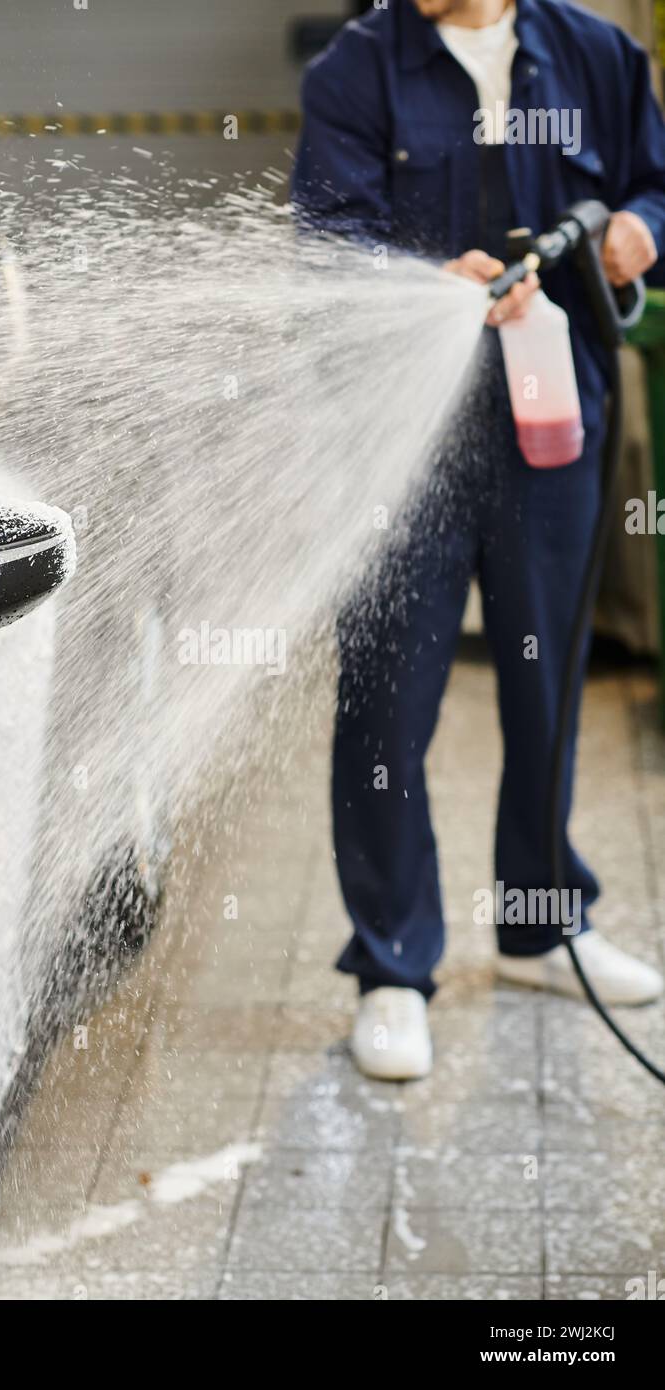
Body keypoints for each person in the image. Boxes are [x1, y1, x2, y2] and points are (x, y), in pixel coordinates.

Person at [292, 0, 665, 1080]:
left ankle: (540, 924)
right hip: (404, 435)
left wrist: (637, 236)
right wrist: (426, 287)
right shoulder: (353, 75)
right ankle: (392, 967)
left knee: (544, 688)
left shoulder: (598, 57)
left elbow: (652, 185)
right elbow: (328, 249)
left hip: (552, 418)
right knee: (384, 699)